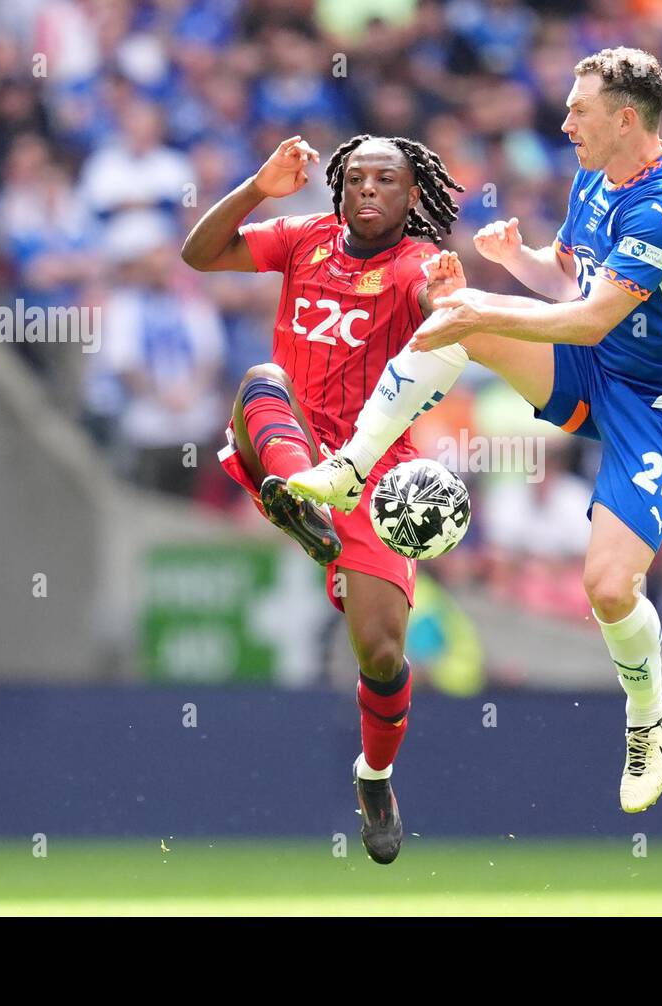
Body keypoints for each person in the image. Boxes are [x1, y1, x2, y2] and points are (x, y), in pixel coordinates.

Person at [289, 48, 662, 813]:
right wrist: (520, 263)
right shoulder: (595, 177)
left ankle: (646, 716)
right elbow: (577, 284)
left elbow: (594, 314)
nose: (564, 122)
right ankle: (350, 466)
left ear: (626, 119)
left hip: (660, 406)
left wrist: (486, 301)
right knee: (447, 326)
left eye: (580, 110)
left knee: (607, 587)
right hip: (597, 366)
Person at [180, 132, 465, 864]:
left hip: (374, 473)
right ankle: (298, 499)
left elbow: (439, 305)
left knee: (380, 651)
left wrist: (447, 297)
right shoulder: (304, 237)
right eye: (357, 179)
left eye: (386, 180)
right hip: (293, 443)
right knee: (260, 377)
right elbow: (199, 255)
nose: (368, 189)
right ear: (339, 190)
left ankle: (375, 778)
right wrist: (257, 186)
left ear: (411, 196)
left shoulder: (413, 267)